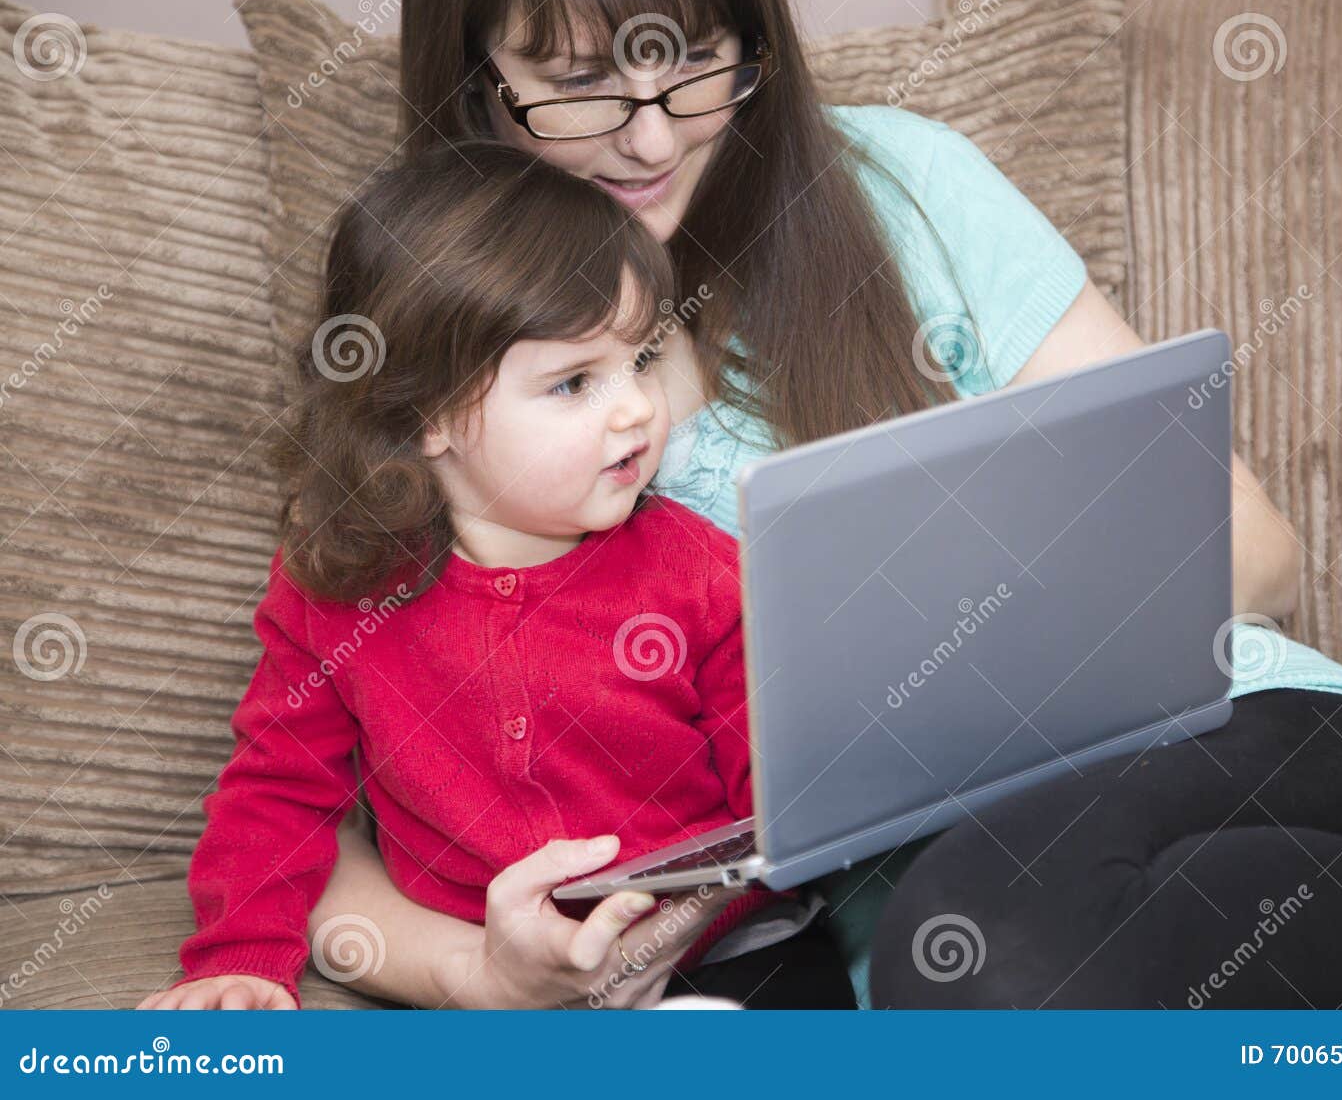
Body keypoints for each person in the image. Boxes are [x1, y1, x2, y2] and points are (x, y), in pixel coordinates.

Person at [296, 0, 1342, 1010]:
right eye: (578, 85)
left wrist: (990, 651)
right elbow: (316, 799)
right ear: (477, 87)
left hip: (1252, 735)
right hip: (965, 918)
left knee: (1001, 950)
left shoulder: (901, 185)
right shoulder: (450, 352)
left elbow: (1251, 542)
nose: (648, 138)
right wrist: (479, 969)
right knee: (977, 955)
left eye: (692, 66)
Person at [136, 142, 854, 1011]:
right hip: (491, 973)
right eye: (574, 382)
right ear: (426, 413)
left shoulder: (704, 574)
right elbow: (279, 785)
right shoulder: (340, 592)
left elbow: (775, 816)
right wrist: (241, 954)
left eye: (641, 361)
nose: (636, 408)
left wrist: (670, 929)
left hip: (725, 953)